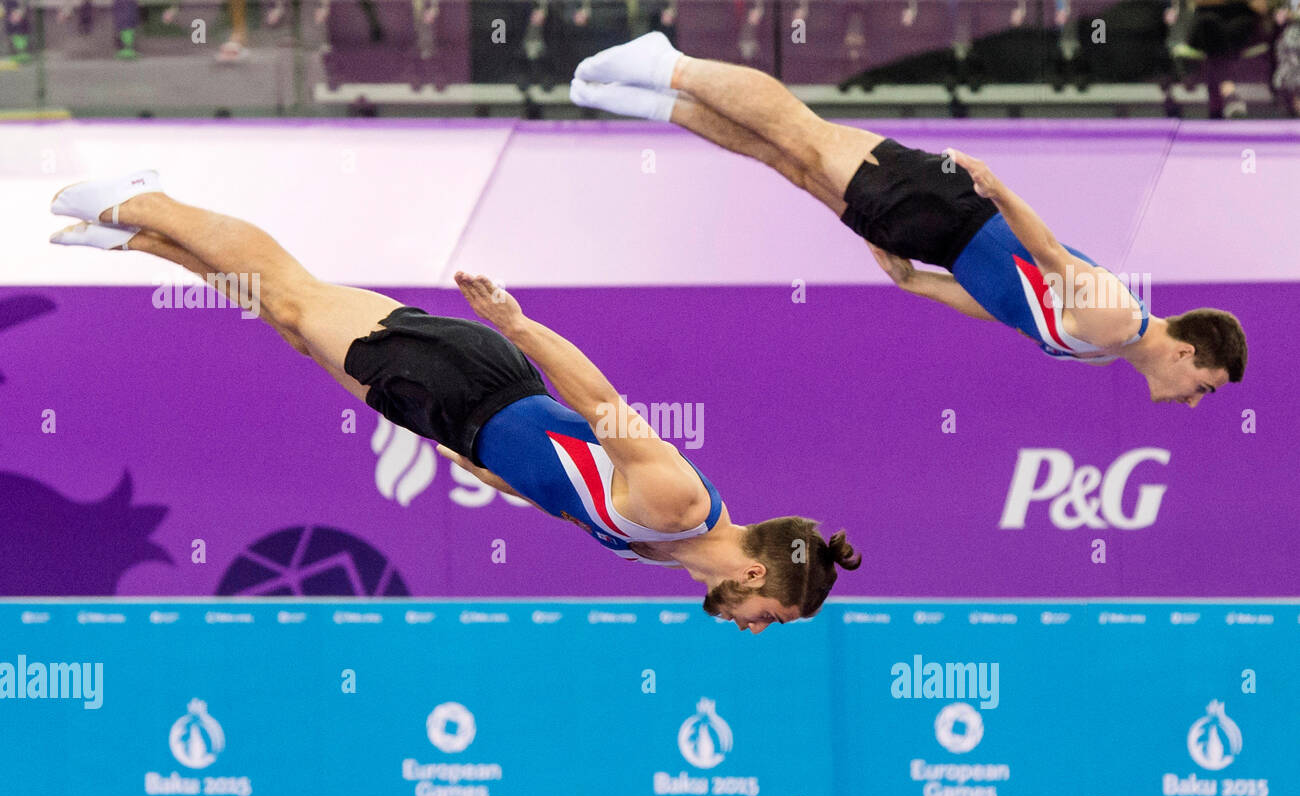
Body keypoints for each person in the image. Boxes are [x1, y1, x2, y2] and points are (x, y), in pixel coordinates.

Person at [46, 171, 859, 634]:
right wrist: (517, 323)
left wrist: (498, 475)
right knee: (296, 299)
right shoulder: (681, 505)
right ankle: (149, 203)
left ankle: (146, 241)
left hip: (457, 419)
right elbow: (604, 405)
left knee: (296, 330)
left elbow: (564, 481)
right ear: (756, 572)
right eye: (771, 616)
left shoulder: (665, 555)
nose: (756, 628)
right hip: (478, 380)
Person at [570, 32, 1248, 408]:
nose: (1194, 400)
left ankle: (652, 104)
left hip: (938, 244)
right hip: (952, 210)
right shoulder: (1116, 319)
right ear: (1187, 353)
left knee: (792, 164)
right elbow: (1052, 259)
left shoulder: (1108, 348)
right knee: (804, 135)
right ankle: (669, 64)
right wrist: (999, 190)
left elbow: (1010, 306)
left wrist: (918, 286)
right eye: (1204, 389)